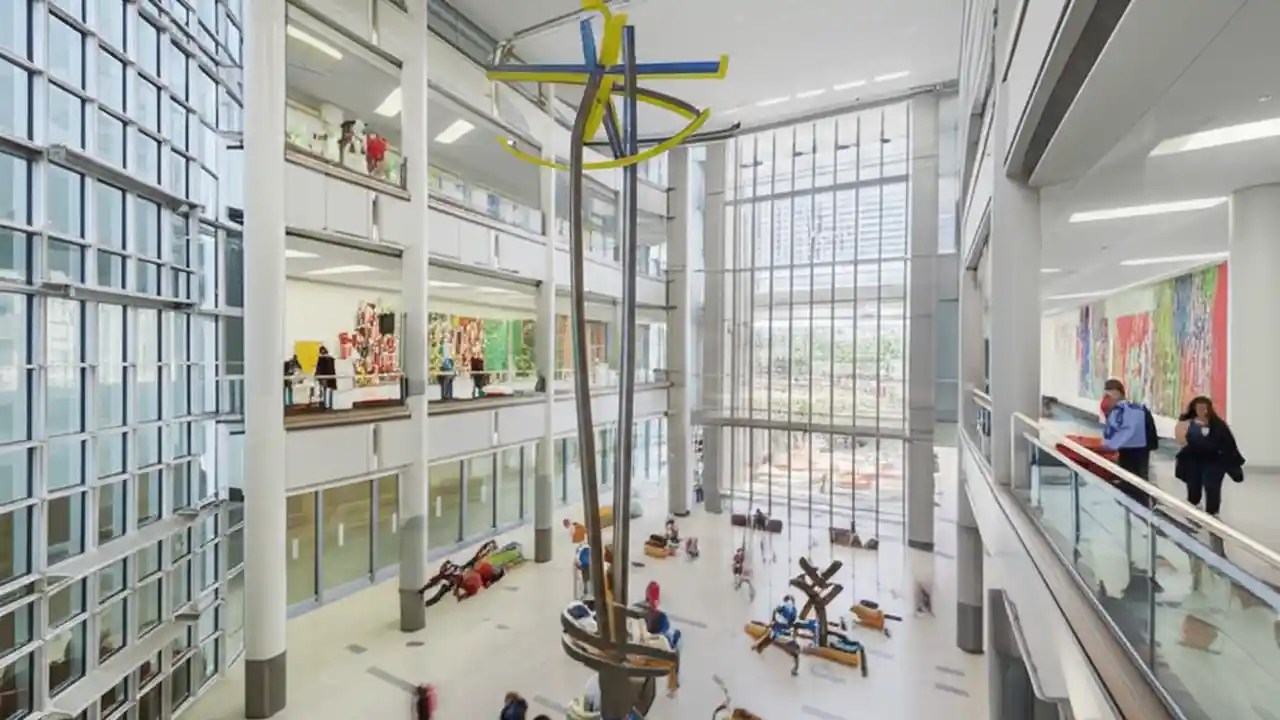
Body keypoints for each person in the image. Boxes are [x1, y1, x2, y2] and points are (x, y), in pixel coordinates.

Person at [1174, 396, 1244, 517]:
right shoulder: (1187, 424)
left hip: (1214, 462)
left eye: (1204, 408)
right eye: (1199, 408)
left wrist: (1231, 460)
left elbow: (1229, 444)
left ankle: (1212, 513)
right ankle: (1194, 508)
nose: (1202, 411)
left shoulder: (1219, 425)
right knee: (1193, 487)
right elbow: (1181, 440)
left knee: (1212, 488)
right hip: (1194, 461)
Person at [1099, 379, 1158, 505]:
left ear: (1118, 393)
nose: (1108, 398)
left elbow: (1111, 430)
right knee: (1140, 476)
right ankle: (1144, 501)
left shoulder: (1119, 410)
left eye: (1109, 395)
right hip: (1140, 448)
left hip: (1130, 449)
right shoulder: (1138, 408)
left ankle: (1138, 501)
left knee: (1130, 476)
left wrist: (1110, 444)